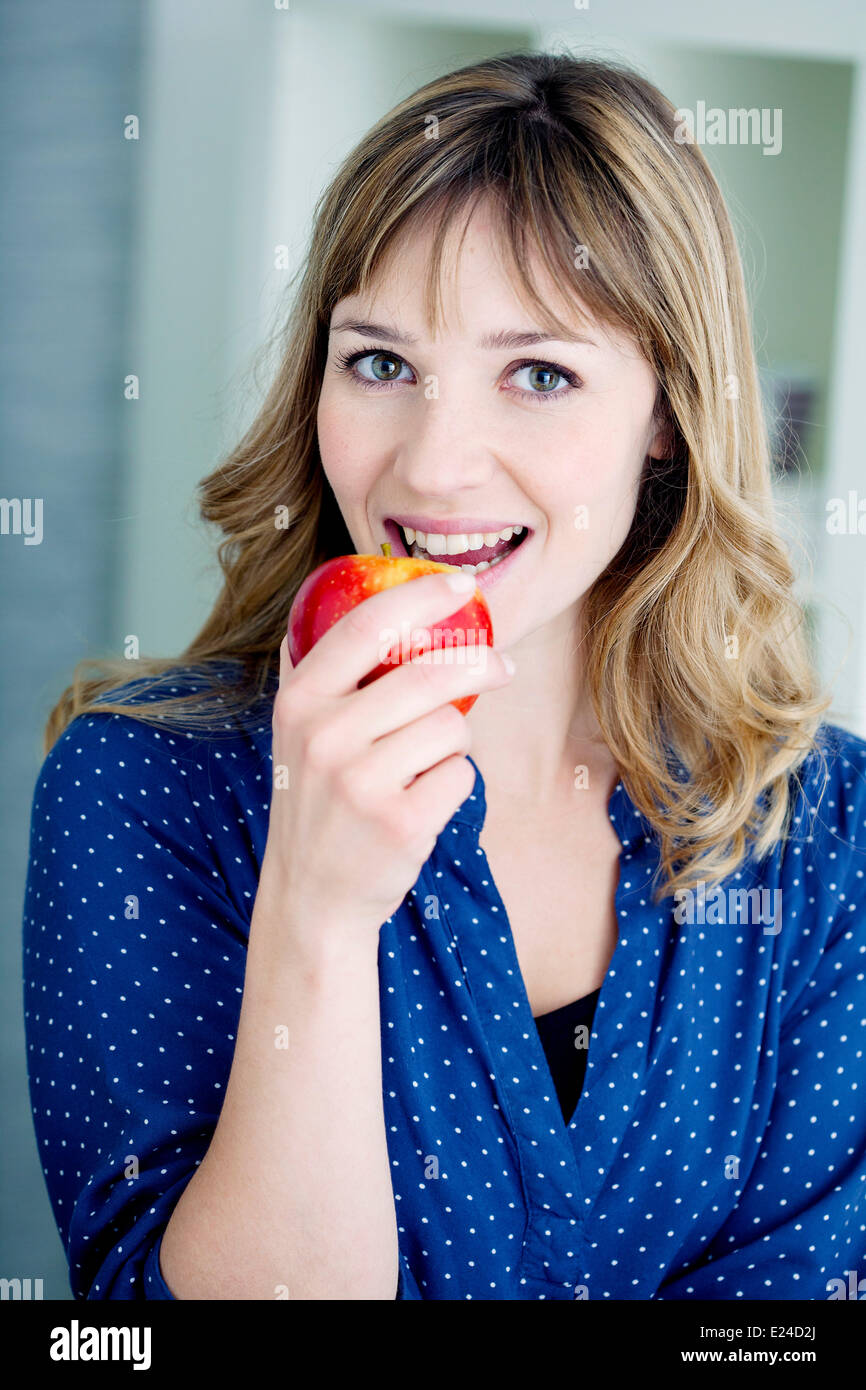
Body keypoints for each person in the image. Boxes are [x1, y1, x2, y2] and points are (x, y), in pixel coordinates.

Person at [22, 51, 866, 1302]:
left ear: (664, 418)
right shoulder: (143, 789)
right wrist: (314, 911)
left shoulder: (825, 830)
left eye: (538, 374)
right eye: (378, 362)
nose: (433, 467)